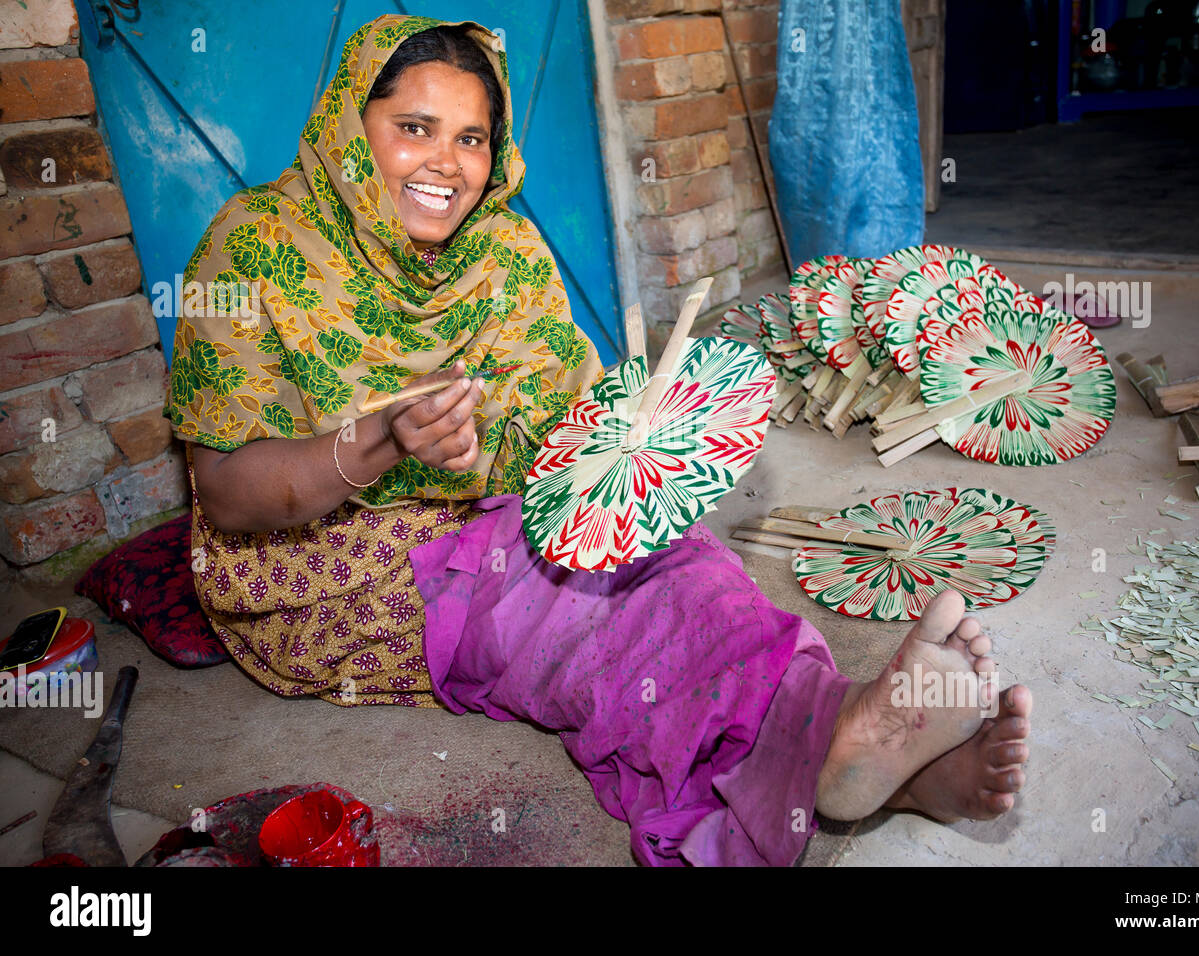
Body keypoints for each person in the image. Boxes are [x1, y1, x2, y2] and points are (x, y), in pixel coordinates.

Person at [164, 13, 1032, 866]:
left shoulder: (503, 249)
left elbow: (568, 432)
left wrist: (649, 443)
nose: (445, 164)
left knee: (678, 562)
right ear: (353, 124)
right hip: (331, 565)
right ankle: (831, 746)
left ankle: (860, 746)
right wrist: (383, 440)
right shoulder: (254, 248)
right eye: (413, 129)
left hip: (504, 508)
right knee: (578, 622)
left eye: (472, 138)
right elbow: (233, 496)